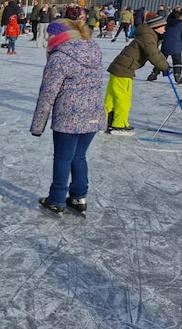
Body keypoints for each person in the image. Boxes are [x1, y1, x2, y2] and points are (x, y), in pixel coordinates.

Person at [30, 19, 105, 217]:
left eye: (50, 35)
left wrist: (38, 126)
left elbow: (47, 94)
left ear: (60, 35)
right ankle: (79, 198)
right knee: (79, 156)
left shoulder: (60, 57)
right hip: (93, 114)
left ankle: (56, 199)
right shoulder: (93, 50)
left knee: (63, 158)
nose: (47, 40)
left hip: (69, 116)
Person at [104, 12, 169, 136]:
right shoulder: (148, 37)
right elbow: (153, 54)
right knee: (123, 99)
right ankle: (118, 125)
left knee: (112, 98)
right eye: (163, 27)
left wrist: (165, 66)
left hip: (119, 68)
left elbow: (155, 52)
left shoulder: (148, 34)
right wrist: (165, 67)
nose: (165, 29)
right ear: (156, 27)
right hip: (124, 70)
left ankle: (104, 121)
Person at [147, 10, 182, 83]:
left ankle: (154, 74)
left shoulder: (166, 23)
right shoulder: (180, 24)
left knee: (161, 60)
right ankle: (177, 75)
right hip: (176, 45)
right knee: (177, 61)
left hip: (165, 45)